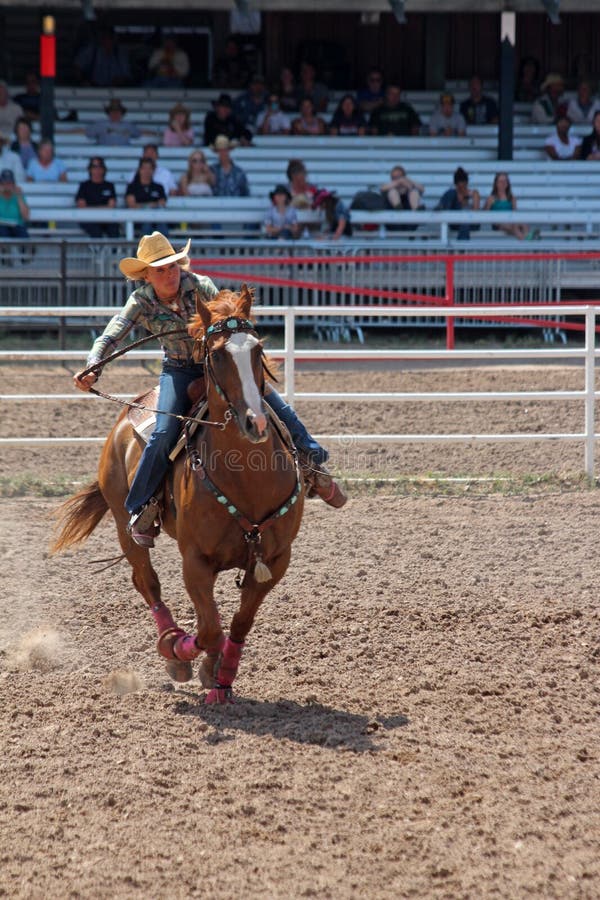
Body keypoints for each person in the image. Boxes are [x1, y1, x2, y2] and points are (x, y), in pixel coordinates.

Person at [73, 232, 346, 545]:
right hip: (178, 370)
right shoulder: (140, 302)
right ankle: (141, 506)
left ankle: (314, 466)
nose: (169, 274)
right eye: (159, 269)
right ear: (146, 275)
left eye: (172, 266)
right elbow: (111, 336)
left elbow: (227, 319)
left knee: (277, 407)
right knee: (163, 433)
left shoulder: (200, 285)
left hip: (217, 365)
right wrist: (93, 366)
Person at [75, 155, 120, 239]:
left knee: (114, 228)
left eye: (100, 166)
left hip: (107, 219)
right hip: (88, 219)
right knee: (96, 231)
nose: (97, 170)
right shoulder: (84, 186)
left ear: (104, 169)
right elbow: (81, 206)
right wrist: (103, 207)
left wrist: (90, 208)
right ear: (90, 169)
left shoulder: (109, 186)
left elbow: (112, 206)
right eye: (94, 167)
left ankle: (114, 252)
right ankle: (97, 252)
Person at [483, 172, 534, 241]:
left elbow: (515, 214)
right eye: (500, 181)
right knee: (513, 226)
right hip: (498, 223)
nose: (503, 183)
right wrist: (488, 205)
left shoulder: (512, 198)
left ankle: (526, 238)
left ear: (508, 183)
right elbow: (484, 214)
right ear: (496, 184)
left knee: (524, 224)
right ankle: (527, 241)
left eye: (505, 181)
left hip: (511, 221)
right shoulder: (492, 198)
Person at [125, 157, 167, 237]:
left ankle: (164, 247)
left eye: (149, 168)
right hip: (138, 220)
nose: (147, 171)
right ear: (139, 170)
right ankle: (147, 248)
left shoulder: (158, 187)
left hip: (157, 220)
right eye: (144, 168)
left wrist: (143, 205)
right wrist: (151, 205)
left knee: (160, 220)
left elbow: (162, 203)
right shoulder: (132, 187)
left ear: (153, 170)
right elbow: (131, 205)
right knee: (147, 222)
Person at [435, 166, 480, 241]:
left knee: (465, 223)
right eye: (458, 186)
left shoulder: (474, 193)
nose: (461, 188)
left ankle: (462, 247)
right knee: (451, 193)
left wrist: (465, 201)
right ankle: (442, 206)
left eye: (463, 186)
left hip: (471, 222)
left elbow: (475, 212)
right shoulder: (453, 194)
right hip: (456, 221)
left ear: (466, 183)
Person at [0, 168, 29, 238]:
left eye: (10, 183)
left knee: (24, 236)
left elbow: (25, 217)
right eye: (5, 183)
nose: (7, 185)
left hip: (17, 225)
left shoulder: (18, 196)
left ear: (14, 184)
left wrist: (19, 197)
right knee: (3, 233)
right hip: (1, 225)